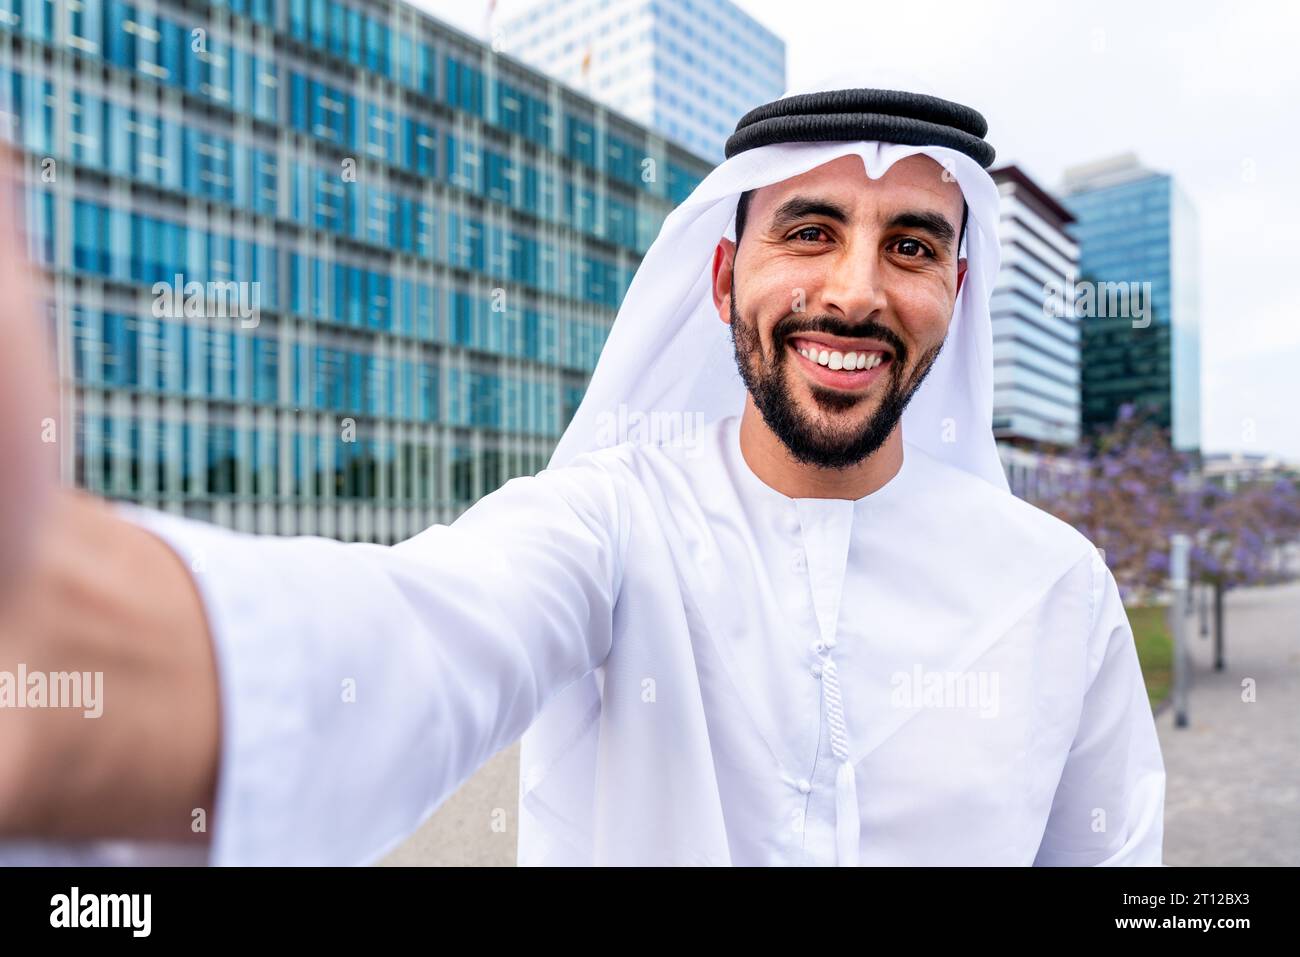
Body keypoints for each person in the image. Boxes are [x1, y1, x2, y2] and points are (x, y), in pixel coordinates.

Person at [0, 72, 1165, 866]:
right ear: (721, 281)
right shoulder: (611, 521)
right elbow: (408, 644)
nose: (856, 289)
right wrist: (55, 649)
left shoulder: (1057, 591)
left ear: (953, 299)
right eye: (809, 231)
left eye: (910, 246)